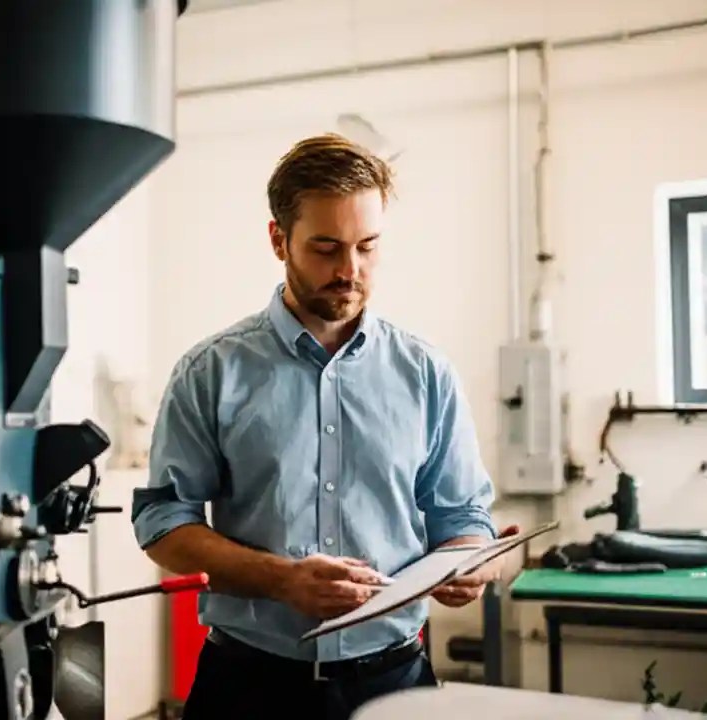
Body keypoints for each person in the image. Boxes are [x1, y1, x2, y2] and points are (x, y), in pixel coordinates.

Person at [130, 133, 510, 719]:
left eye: (367, 246)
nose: (349, 270)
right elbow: (162, 523)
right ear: (278, 239)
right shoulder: (211, 372)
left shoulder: (426, 373)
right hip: (248, 687)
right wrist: (279, 579)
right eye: (326, 248)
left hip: (394, 680)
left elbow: (462, 517)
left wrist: (470, 560)